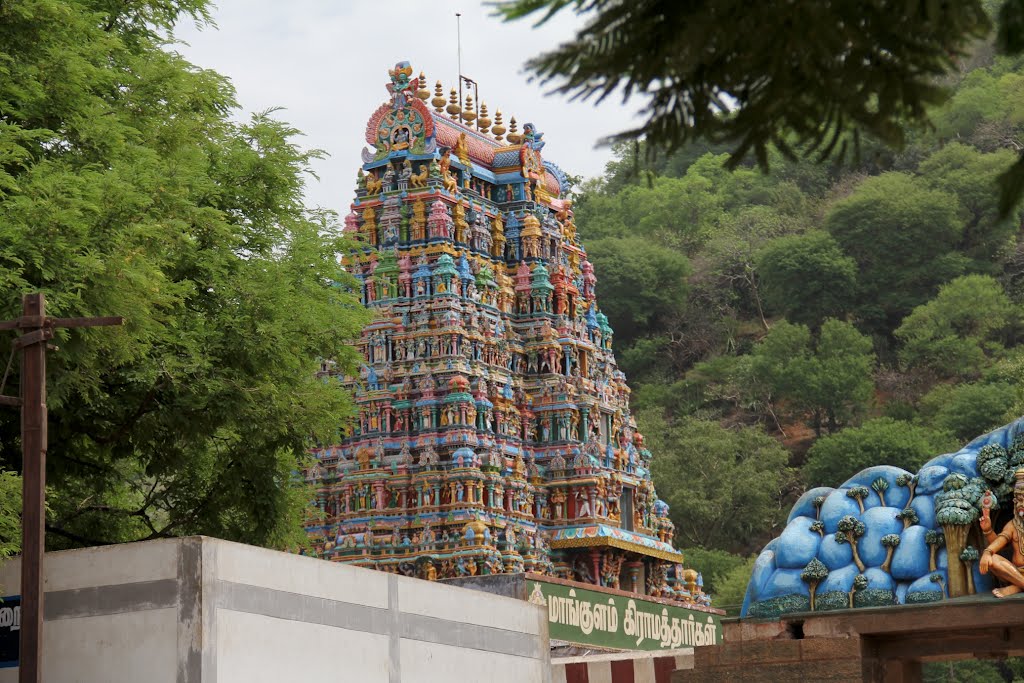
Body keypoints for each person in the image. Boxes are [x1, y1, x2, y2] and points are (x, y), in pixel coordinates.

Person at [980, 469, 1024, 597]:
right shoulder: (1013, 525)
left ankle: (1017, 587)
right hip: (1015, 573)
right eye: (1019, 500)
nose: (1021, 504)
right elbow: (999, 543)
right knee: (992, 559)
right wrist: (988, 532)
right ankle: (1020, 585)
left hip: (1016, 577)